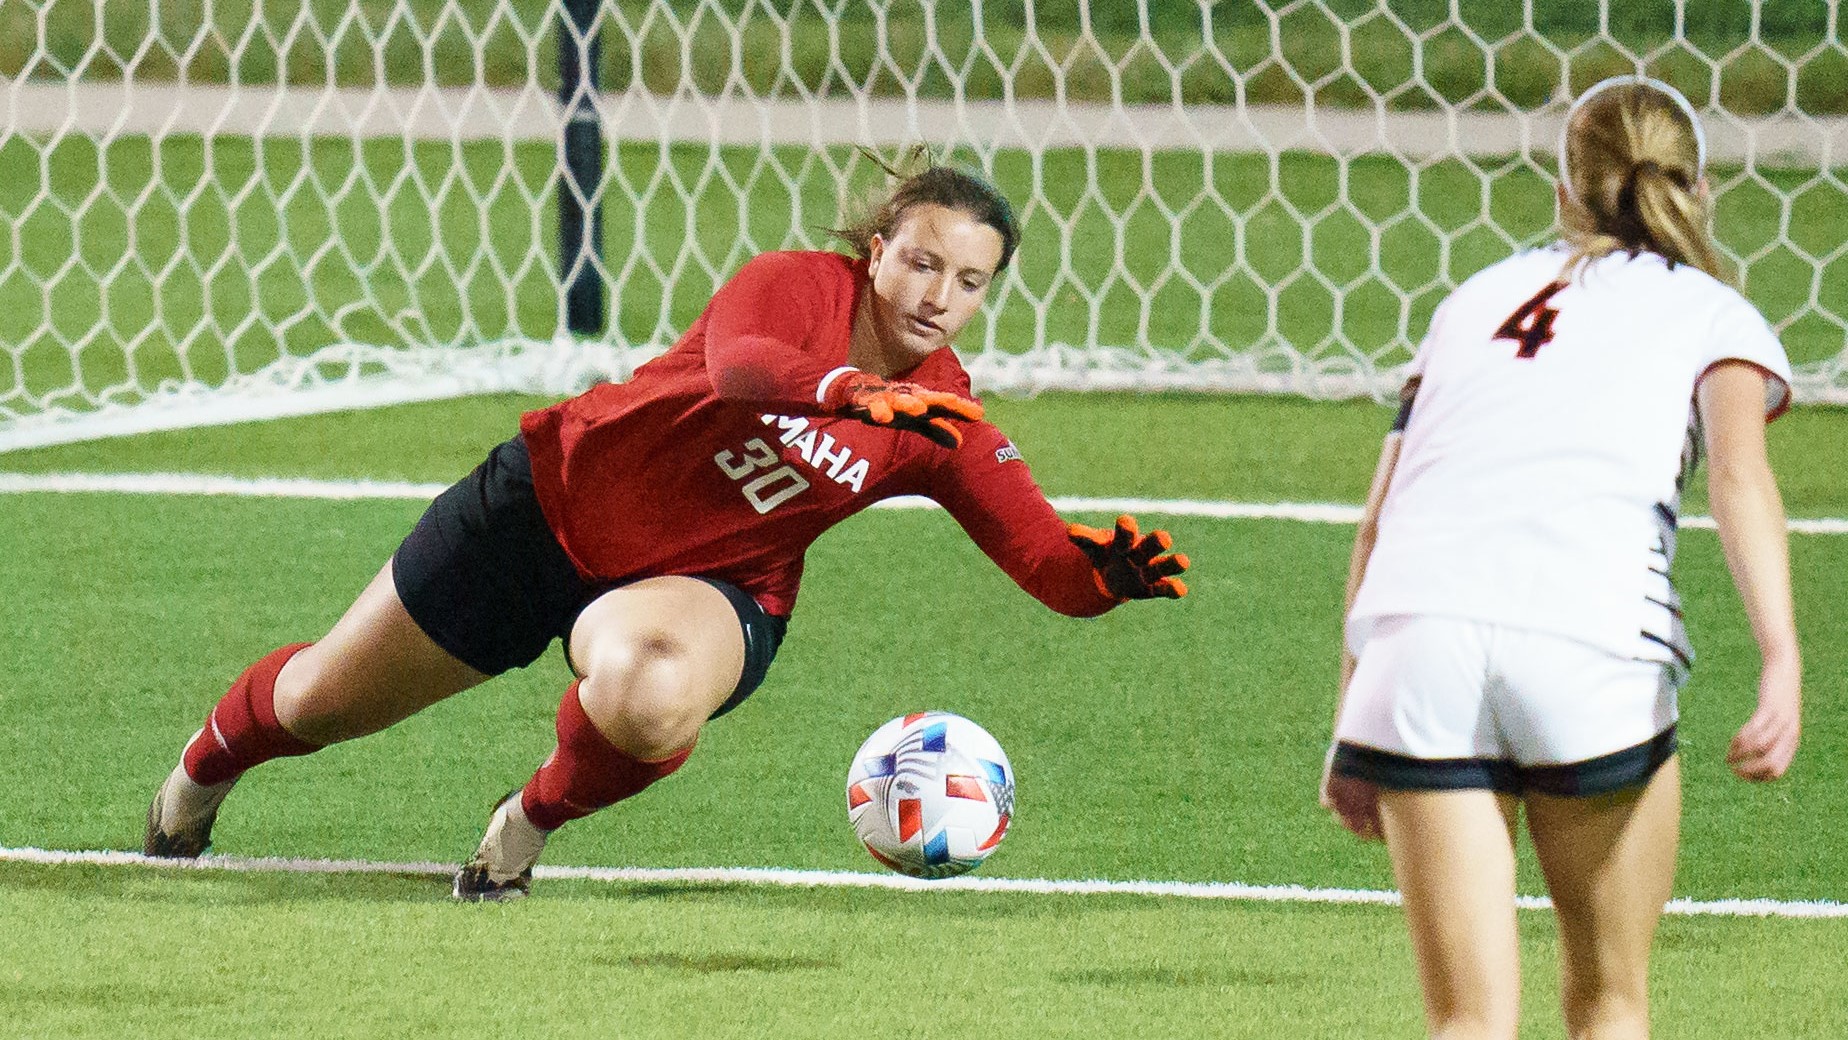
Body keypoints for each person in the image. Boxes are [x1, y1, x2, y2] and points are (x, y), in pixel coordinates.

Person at [143, 154, 1190, 901]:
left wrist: (1106, 573)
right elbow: (745, 368)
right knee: (318, 699)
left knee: (648, 693)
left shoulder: (941, 417)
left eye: (969, 281)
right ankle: (197, 776)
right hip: (548, 506)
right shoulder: (793, 285)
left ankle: (527, 822)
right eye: (921, 262)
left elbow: (1046, 559)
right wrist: (845, 391)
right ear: (876, 250)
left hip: (709, 590)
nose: (939, 294)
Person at [1319, 76, 1801, 1040]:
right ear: (1697, 190)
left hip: (1419, 651)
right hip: (1587, 648)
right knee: (1609, 1002)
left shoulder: (1471, 301)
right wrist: (1781, 657)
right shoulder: (1713, 314)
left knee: (1466, 1020)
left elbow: (1379, 522)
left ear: (1563, 190)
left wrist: (1354, 709)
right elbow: (1739, 482)